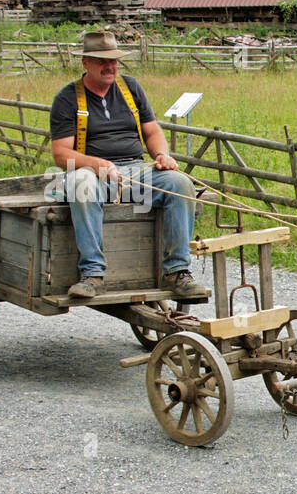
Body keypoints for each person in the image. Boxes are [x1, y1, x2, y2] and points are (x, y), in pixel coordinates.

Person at [49, 30, 205, 299]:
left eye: (114, 61)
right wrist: (97, 164)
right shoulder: (67, 99)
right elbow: (61, 154)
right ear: (85, 62)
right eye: (102, 61)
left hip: (136, 172)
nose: (110, 67)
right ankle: (92, 275)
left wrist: (162, 155)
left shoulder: (130, 88)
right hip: (93, 175)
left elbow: (152, 132)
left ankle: (178, 272)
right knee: (81, 185)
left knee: (179, 184)